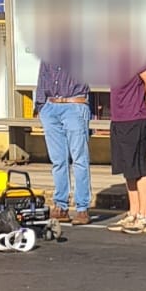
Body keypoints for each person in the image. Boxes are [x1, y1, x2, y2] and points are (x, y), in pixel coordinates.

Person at [35, 58, 91, 225]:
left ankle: (82, 208)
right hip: (51, 106)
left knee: (79, 159)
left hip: (74, 104)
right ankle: (61, 206)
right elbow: (42, 76)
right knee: (58, 161)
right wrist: (40, 105)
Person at [109, 63, 146, 234]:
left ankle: (144, 217)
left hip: (136, 118)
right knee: (127, 168)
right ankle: (133, 213)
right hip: (119, 119)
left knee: (140, 167)